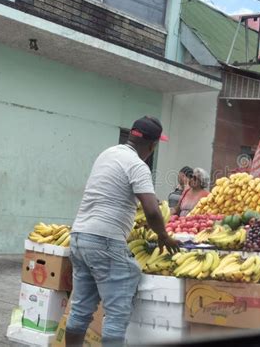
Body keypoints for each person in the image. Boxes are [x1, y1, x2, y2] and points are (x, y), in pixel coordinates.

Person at [66, 116, 179, 347]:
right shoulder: (138, 165)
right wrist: (163, 236)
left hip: (79, 237)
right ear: (152, 145)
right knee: (116, 313)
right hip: (105, 241)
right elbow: (153, 212)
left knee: (80, 309)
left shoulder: (108, 154)